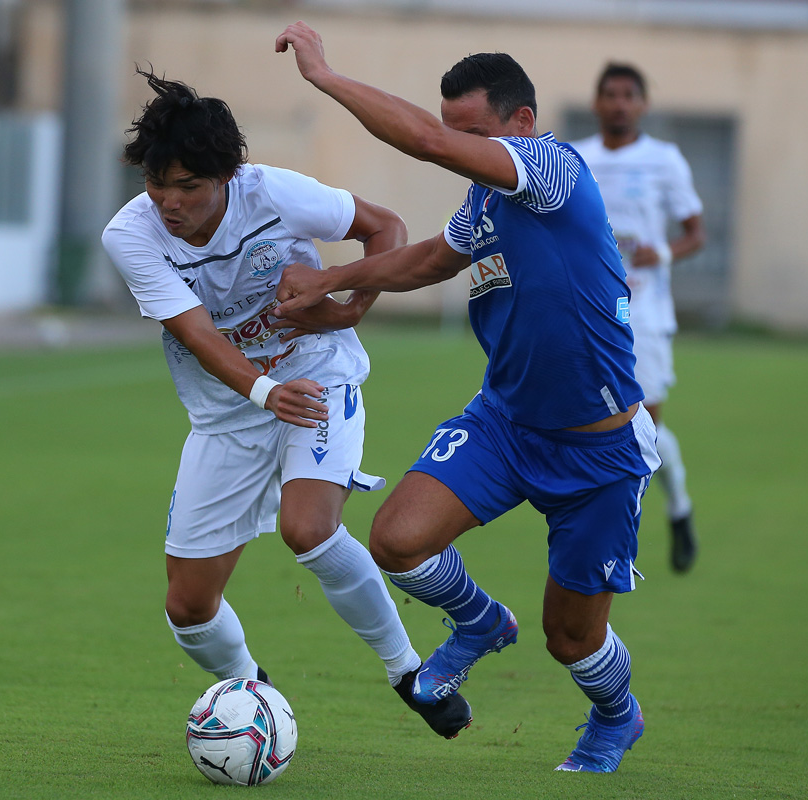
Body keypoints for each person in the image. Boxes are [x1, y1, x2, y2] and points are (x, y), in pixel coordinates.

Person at [274, 23, 661, 773]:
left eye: (473, 134)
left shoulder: (551, 169)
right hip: (506, 425)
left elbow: (424, 141)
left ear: (522, 123)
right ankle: (480, 622)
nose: (459, 148)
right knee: (396, 538)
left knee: (571, 638)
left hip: (600, 447)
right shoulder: (486, 205)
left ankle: (617, 714)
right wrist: (329, 280)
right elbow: (428, 262)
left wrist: (326, 78)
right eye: (454, 131)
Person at [99, 69, 472, 740]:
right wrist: (265, 393)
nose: (169, 202)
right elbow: (198, 334)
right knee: (187, 607)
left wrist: (351, 306)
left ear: (226, 178)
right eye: (158, 184)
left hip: (316, 375)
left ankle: (409, 671)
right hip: (227, 413)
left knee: (309, 529)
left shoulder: (271, 193)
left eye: (189, 187)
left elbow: (384, 228)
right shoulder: (130, 235)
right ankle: (256, 694)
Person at [572, 63, 706, 573]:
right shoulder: (576, 158)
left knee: (644, 424)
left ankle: (674, 507)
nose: (619, 103)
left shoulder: (664, 160)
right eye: (610, 94)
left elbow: (696, 232)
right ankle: (606, 533)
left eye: (629, 95)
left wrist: (664, 254)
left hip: (641, 308)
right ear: (597, 101)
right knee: (595, 423)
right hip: (591, 309)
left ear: (643, 104)